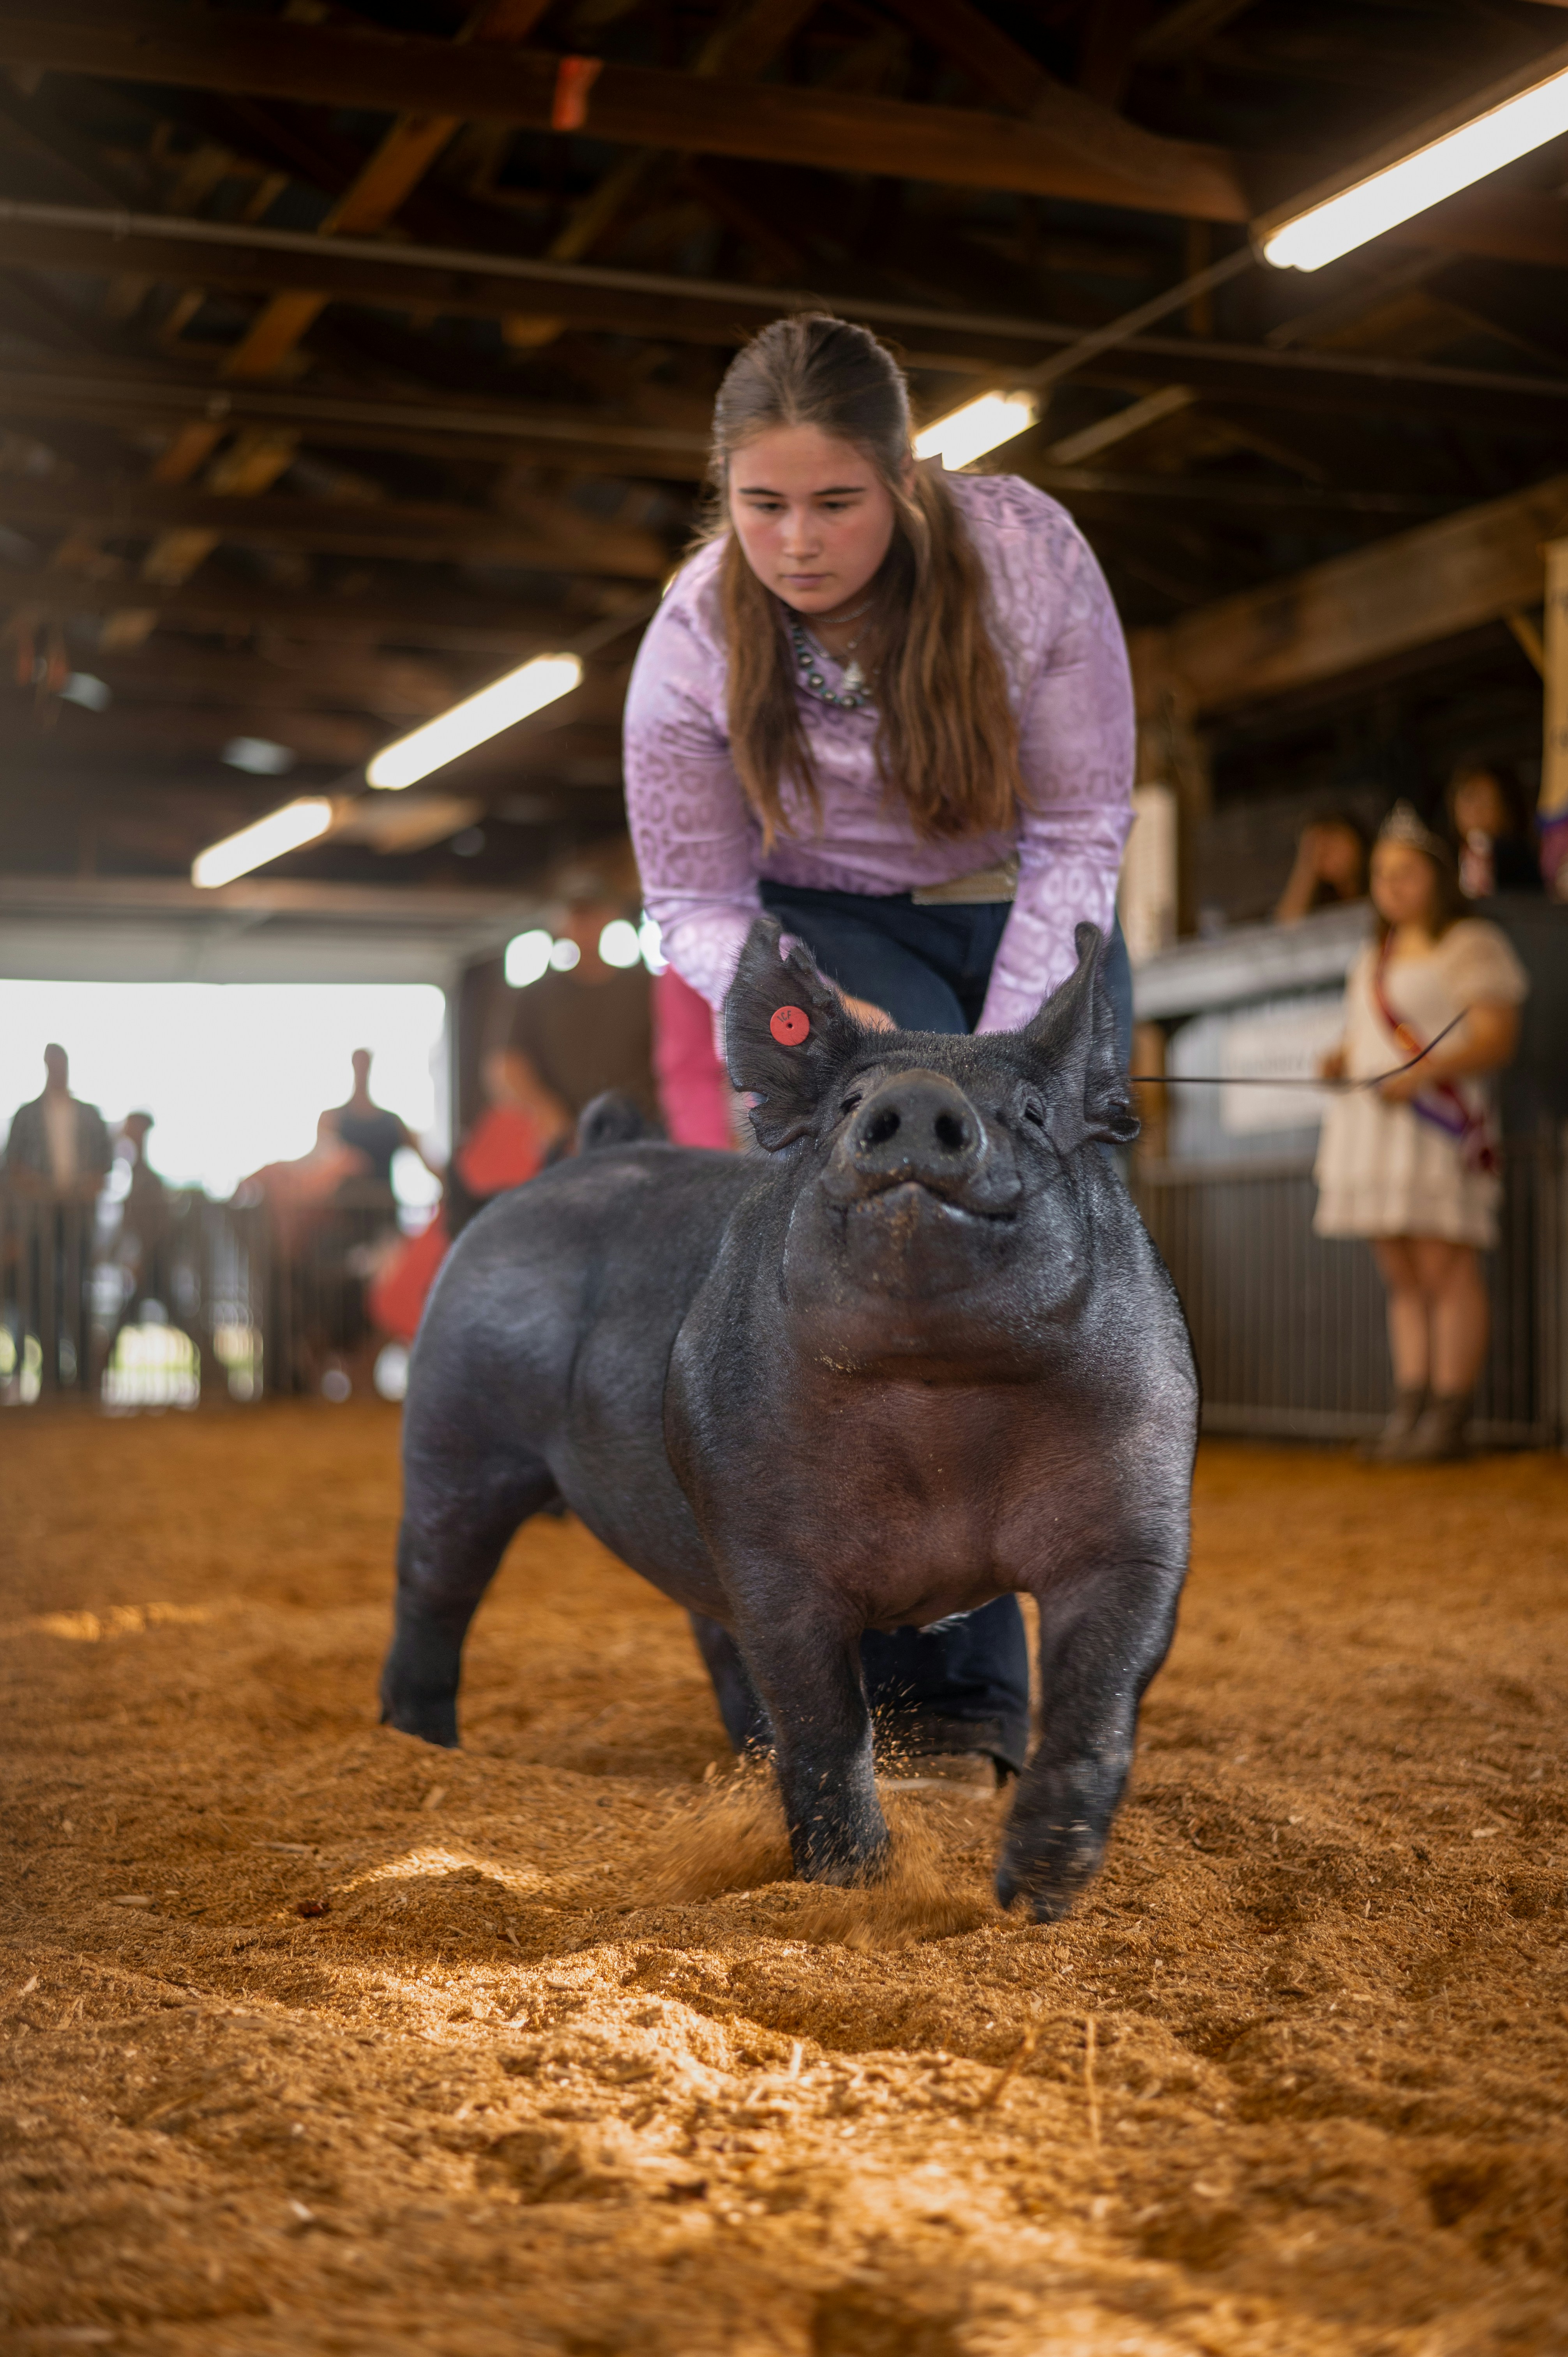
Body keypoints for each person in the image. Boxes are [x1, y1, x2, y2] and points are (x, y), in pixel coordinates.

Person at [622, 311, 1139, 1789]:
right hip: (817, 933)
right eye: (761, 503)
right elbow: (693, 902)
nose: (796, 541)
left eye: (834, 501)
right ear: (722, 492)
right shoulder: (684, 646)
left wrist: (996, 1070)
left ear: (903, 484)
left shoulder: (1025, 560)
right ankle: (868, 1696)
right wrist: (817, 1022)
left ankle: (985, 1688)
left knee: (1031, 1276)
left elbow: (1079, 828)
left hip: (1024, 912)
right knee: (862, 1278)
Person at [1314, 802, 1528, 1463]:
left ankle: (1448, 1412)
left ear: (1435, 876)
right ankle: (1409, 1409)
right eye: (1381, 874)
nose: (1392, 886)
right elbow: (1361, 1036)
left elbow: (1496, 1037)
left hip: (1436, 1124)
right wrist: (1338, 1058)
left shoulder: (1469, 944)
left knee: (1445, 1265)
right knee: (1402, 1273)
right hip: (1373, 1127)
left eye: (1405, 872)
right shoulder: (1368, 957)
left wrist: (1421, 1072)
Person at [487, 884, 659, 1144]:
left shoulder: (645, 988)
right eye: (577, 915)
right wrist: (545, 1111)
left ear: (610, 917)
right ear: (558, 922)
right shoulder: (535, 996)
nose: (585, 925)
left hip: (644, 1136)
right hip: (569, 1143)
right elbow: (506, 1067)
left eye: (593, 914)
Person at [324, 1050, 442, 1204]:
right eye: (359, 1063)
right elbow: (319, 1167)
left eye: (365, 1064)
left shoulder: (392, 1123)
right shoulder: (333, 1120)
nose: (362, 1069)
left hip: (383, 1212)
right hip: (344, 1213)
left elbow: (428, 1164)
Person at [2, 1043, 111, 1200]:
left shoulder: (91, 1115)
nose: (58, 1070)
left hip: (81, 1210)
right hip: (38, 1210)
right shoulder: (26, 1116)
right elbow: (12, 1162)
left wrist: (89, 1187)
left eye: (61, 1064)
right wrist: (35, 1187)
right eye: (54, 1064)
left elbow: (105, 1160)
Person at [1444, 763, 1543, 901]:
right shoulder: (1446, 858)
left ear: (1506, 810)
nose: (1476, 811)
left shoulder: (1518, 859)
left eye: (1486, 803)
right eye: (1469, 799)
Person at [1274, 809, 1370, 924]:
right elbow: (1285, 927)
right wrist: (1306, 869)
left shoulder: (1383, 872)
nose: (1329, 853)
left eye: (1333, 840)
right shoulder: (1325, 903)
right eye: (1318, 852)